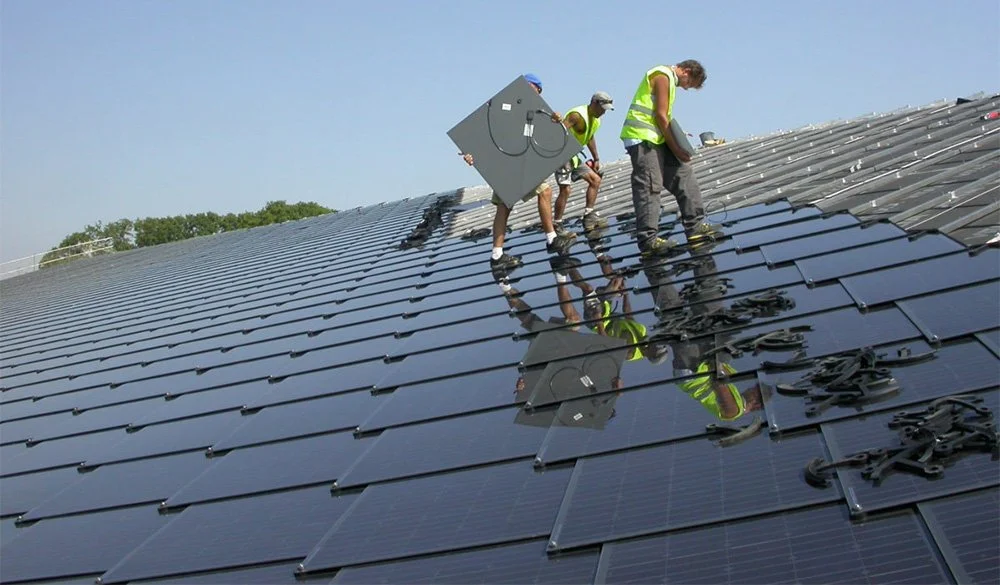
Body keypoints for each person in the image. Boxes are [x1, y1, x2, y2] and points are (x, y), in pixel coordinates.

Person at [461, 73, 577, 272]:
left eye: (538, 92)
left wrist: (557, 120)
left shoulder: (534, 113)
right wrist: (468, 152)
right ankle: (551, 239)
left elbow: (548, 137)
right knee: (544, 190)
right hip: (506, 164)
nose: (536, 95)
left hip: (513, 164)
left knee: (504, 206)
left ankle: (497, 255)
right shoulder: (501, 106)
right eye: (533, 89)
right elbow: (478, 127)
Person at [620, 60, 722, 257]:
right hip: (642, 139)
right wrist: (676, 146)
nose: (686, 88)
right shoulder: (662, 75)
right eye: (689, 83)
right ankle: (648, 241)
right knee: (650, 186)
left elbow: (663, 116)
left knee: (684, 175)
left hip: (656, 139)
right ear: (686, 71)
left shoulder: (669, 80)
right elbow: (660, 115)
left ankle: (695, 227)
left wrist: (678, 137)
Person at [553, 92, 614, 233]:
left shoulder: (596, 119)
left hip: (574, 156)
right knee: (566, 190)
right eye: (602, 108)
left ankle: (588, 216)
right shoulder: (577, 115)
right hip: (562, 155)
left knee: (595, 180)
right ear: (594, 103)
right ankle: (557, 224)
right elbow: (558, 132)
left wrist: (596, 158)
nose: (603, 112)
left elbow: (590, 136)